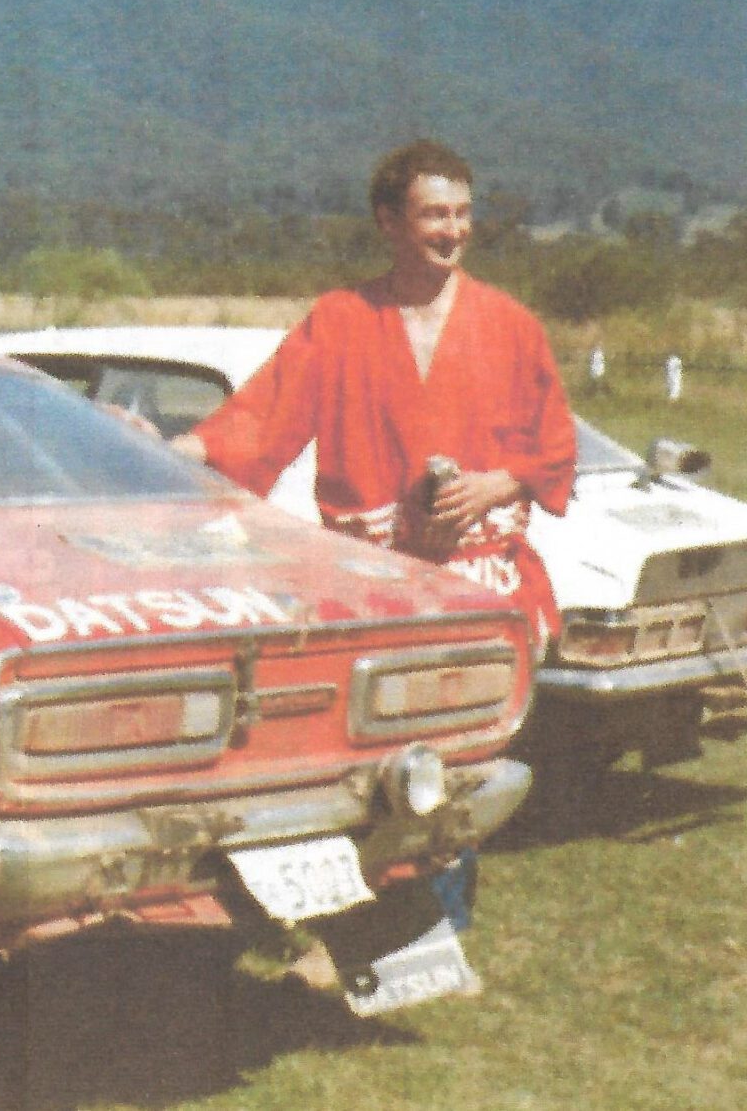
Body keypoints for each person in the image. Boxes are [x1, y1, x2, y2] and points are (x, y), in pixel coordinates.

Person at [171, 139, 575, 936]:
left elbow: (553, 447)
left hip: (477, 584)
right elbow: (259, 419)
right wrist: (166, 448)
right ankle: (367, 925)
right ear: (389, 221)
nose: (453, 230)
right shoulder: (341, 321)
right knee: (369, 763)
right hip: (373, 588)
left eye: (462, 213)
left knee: (451, 762)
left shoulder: (511, 325)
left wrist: (497, 483)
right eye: (434, 214)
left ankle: (432, 927)